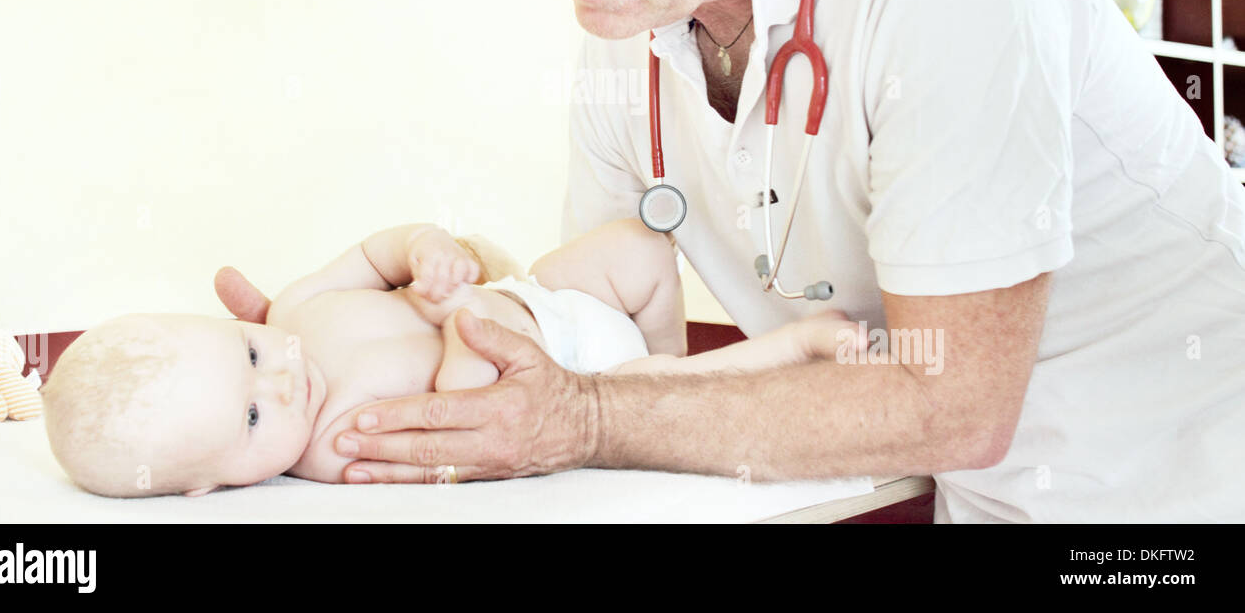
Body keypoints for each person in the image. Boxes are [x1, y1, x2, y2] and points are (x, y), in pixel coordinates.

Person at [221, 0, 1245, 522]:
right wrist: (405, 328)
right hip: (976, 485)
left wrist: (582, 416)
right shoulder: (631, 23)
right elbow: (599, 324)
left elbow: (953, 400)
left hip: (1175, 470)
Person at [44, 219, 858, 496]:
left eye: (251, 351)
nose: (284, 376)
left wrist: (428, 250)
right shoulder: (337, 450)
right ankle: (798, 344)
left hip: (543, 300)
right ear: (211, 484)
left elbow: (377, 251)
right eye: (254, 414)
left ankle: (670, 349)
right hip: (577, 380)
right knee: (668, 389)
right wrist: (463, 325)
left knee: (642, 249)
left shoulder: (296, 306)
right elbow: (461, 427)